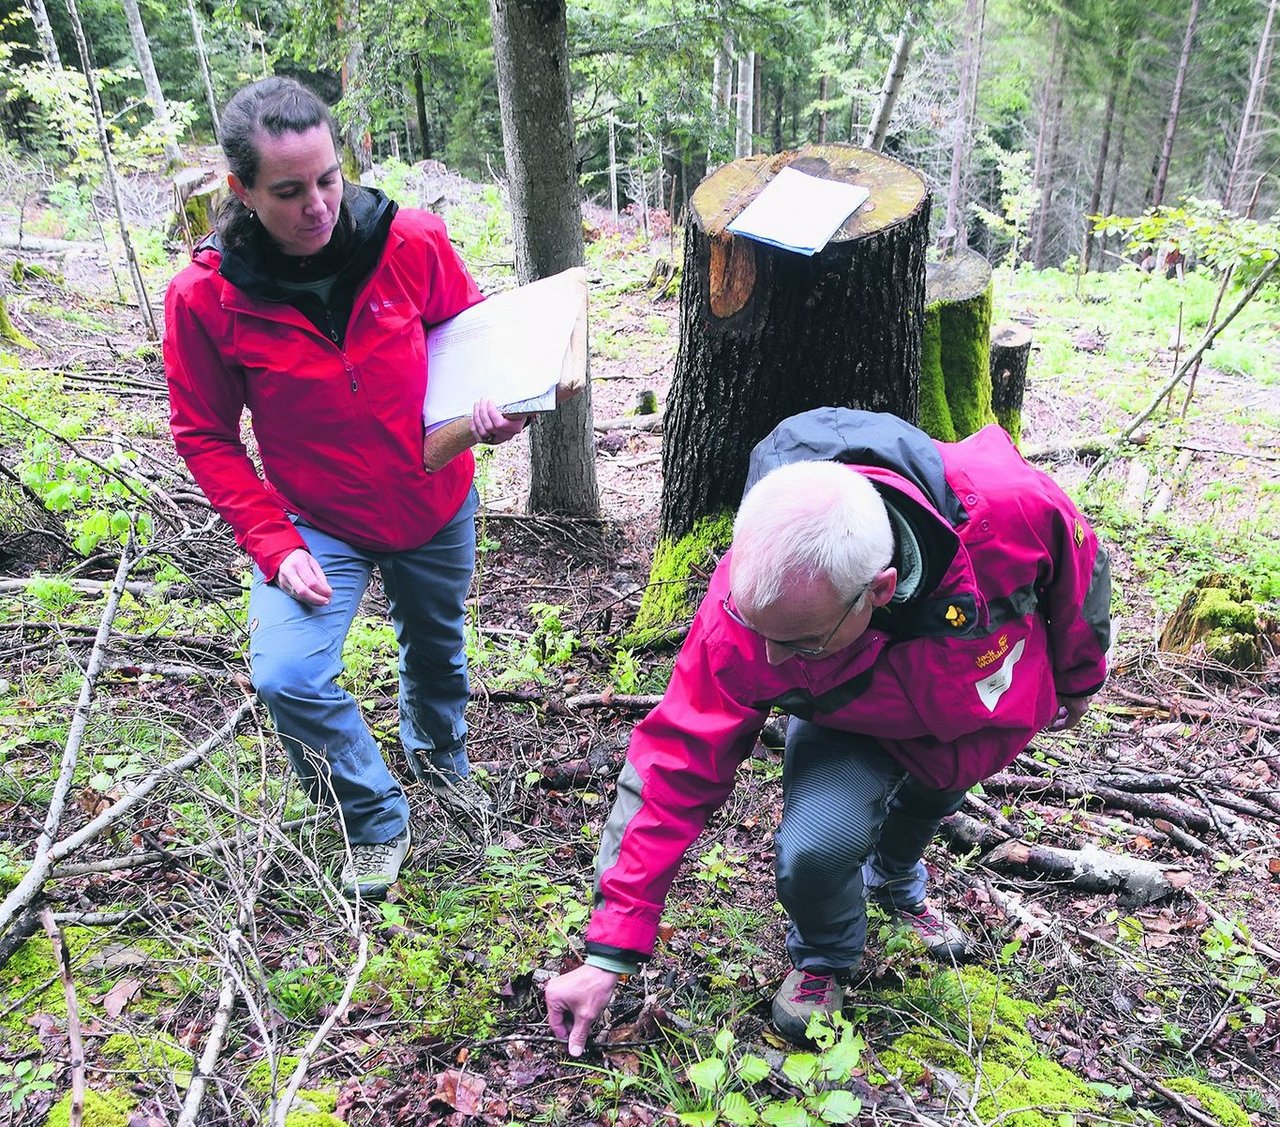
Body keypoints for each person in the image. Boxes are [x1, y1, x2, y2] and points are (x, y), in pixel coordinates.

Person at [545, 408, 1112, 1046]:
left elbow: (1082, 571)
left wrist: (1079, 677)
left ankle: (896, 879)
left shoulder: (1009, 508)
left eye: (803, 642)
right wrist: (609, 954)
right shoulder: (754, 606)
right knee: (814, 849)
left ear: (881, 588)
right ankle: (824, 958)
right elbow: (676, 763)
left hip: (985, 711)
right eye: (761, 634)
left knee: (938, 788)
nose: (773, 661)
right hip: (852, 722)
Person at [163, 77, 527, 901]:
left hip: (433, 496)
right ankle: (372, 813)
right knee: (287, 674)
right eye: (288, 191)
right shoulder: (206, 296)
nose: (318, 205)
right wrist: (274, 541)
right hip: (315, 517)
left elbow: (471, 342)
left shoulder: (411, 240)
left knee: (436, 649)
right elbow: (206, 435)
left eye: (328, 178)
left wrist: (496, 414)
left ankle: (441, 758)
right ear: (242, 190)